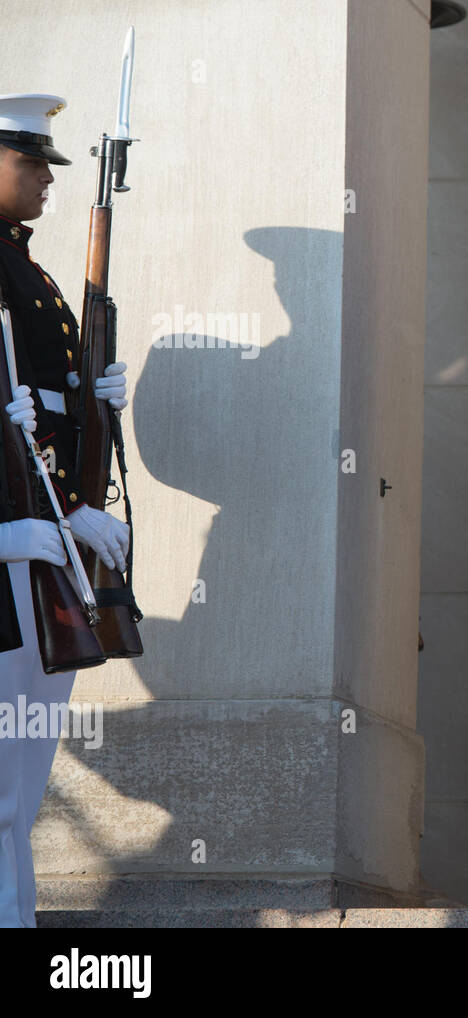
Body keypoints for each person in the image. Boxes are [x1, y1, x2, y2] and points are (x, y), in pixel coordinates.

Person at [0, 93, 131, 928]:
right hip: (16, 535)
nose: (45, 181)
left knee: (18, 786)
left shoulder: (27, 266)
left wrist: (97, 405)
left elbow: (42, 406)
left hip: (40, 528)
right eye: (28, 165)